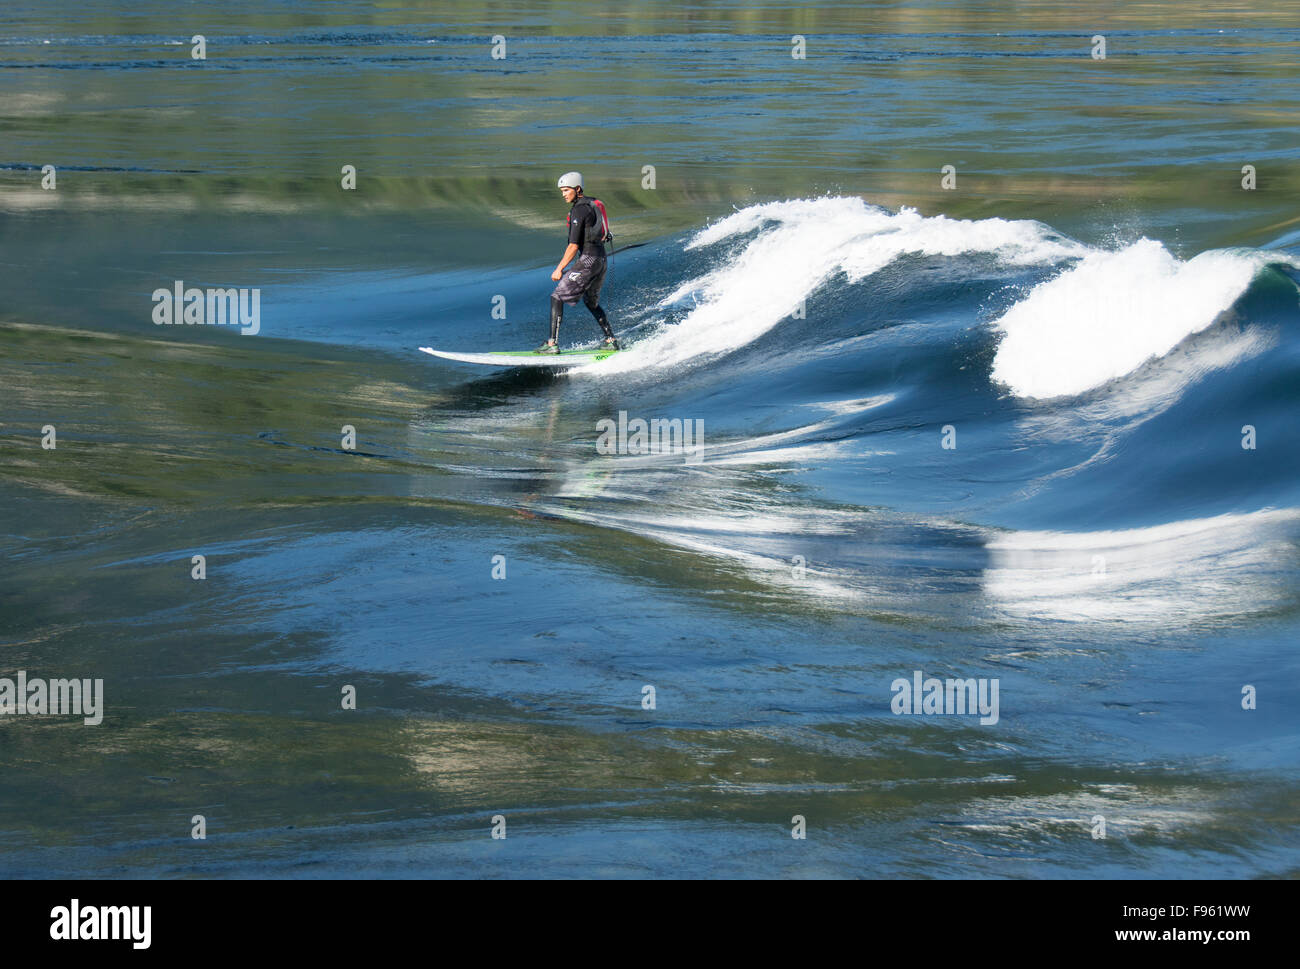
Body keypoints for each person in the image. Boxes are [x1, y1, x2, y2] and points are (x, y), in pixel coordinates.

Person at [536, 171, 619, 353]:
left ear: (577, 189)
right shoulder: (593, 203)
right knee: (591, 302)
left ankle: (552, 344)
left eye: (566, 190)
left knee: (557, 296)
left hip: (588, 260)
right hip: (601, 259)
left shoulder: (579, 209)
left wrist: (559, 269)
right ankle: (611, 340)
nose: (564, 194)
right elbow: (603, 233)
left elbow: (573, 246)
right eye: (562, 191)